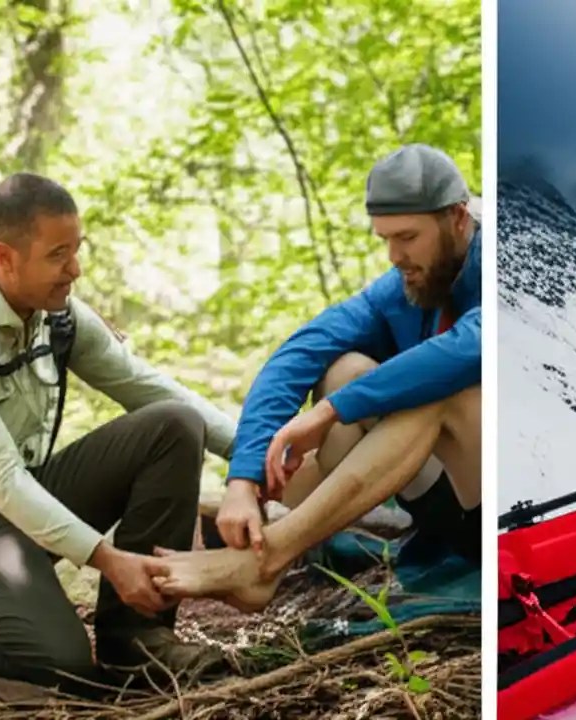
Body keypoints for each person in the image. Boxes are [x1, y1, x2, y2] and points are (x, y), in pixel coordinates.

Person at [0, 173, 238, 691]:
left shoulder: (56, 318)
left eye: (77, 250)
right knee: (63, 664)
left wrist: (253, 454)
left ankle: (137, 643)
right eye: (58, 255)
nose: (75, 270)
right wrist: (107, 559)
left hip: (22, 498)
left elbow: (147, 386)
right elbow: (0, 480)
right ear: (5, 257)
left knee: (174, 425)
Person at [149, 143, 481, 609]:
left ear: (458, 218)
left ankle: (267, 558)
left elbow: (469, 347)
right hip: (443, 504)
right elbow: (300, 353)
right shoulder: (406, 283)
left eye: (407, 237)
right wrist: (243, 478)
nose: (394, 255)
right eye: (384, 238)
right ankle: (261, 524)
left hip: (500, 500)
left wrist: (328, 412)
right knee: (344, 370)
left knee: (441, 393)